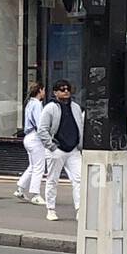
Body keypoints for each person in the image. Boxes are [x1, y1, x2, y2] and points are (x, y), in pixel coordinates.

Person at [38, 79, 84, 222]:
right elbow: (42, 129)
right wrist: (51, 146)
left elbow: (80, 125)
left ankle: (79, 209)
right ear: (55, 92)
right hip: (57, 149)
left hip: (73, 149)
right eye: (62, 89)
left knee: (79, 179)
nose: (66, 92)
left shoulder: (76, 107)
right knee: (52, 180)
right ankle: (50, 209)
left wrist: (80, 144)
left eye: (67, 89)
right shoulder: (50, 108)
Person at [14, 82, 48, 205]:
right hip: (36, 138)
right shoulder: (38, 105)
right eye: (43, 90)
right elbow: (40, 124)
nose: (44, 92)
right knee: (39, 167)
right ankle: (35, 194)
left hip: (28, 137)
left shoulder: (29, 103)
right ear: (40, 90)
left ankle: (20, 188)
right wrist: (47, 138)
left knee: (33, 166)